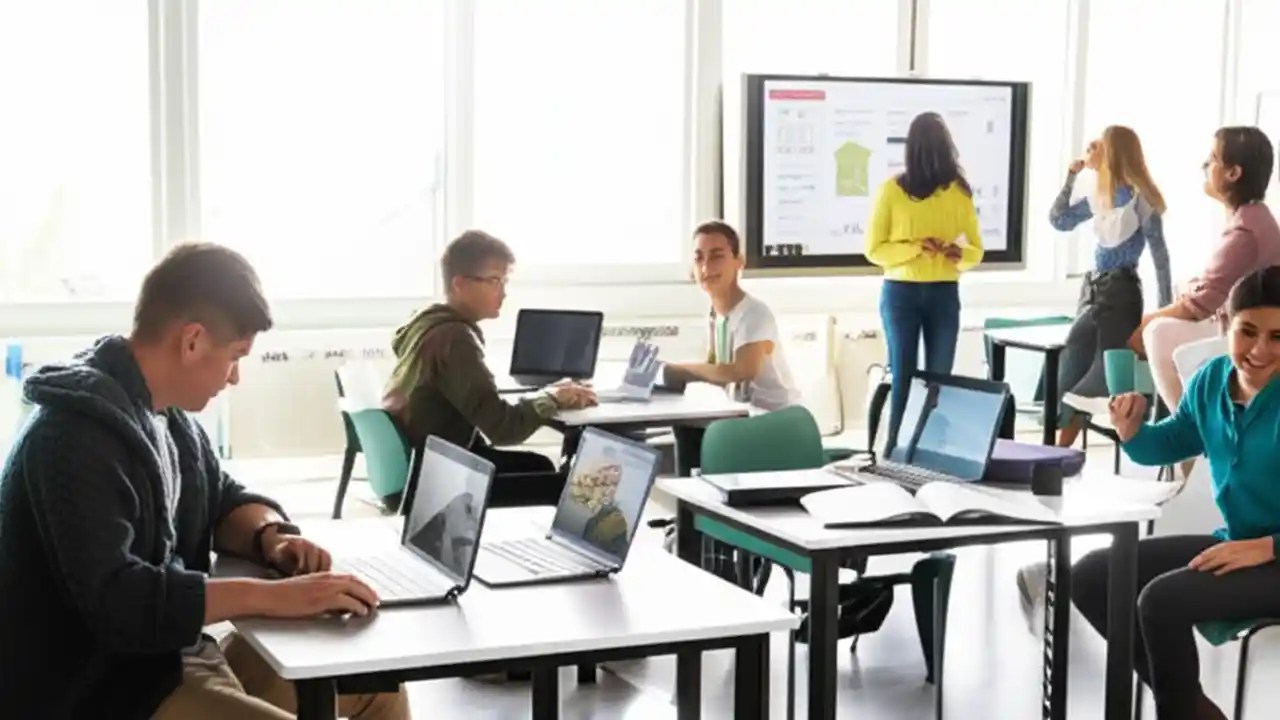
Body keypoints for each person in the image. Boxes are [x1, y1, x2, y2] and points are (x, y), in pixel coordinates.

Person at [0, 243, 407, 719]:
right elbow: (119, 604)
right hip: (97, 691)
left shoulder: (168, 418)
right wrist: (280, 597)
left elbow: (223, 499)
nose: (234, 377)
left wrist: (270, 536)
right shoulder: (72, 436)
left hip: (169, 660)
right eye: (235, 356)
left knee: (380, 688)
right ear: (192, 341)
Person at [1072, 266, 1280, 720]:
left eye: (1278, 337)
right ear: (1226, 322)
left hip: (1273, 553)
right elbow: (1170, 442)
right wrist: (1132, 432)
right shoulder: (1212, 380)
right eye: (1248, 332)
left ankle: (1180, 711)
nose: (1260, 351)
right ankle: (1192, 707)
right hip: (1238, 544)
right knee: (1092, 575)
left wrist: (1269, 547)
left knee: (1162, 601)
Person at [383, 229, 596, 508]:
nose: (504, 292)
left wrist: (546, 396)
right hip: (436, 479)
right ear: (460, 284)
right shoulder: (454, 339)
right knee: (563, 486)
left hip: (421, 464)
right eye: (495, 281)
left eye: (504, 282)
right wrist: (552, 397)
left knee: (539, 465)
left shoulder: (427, 324)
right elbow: (502, 429)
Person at [1133, 126, 1280, 414]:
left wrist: (1137, 325)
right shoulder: (1252, 219)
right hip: (1243, 330)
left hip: (1248, 338)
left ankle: (1188, 433)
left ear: (1233, 173)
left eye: (1212, 158)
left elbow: (1198, 305)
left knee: (1157, 331)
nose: (1205, 165)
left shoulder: (1245, 231)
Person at [1048, 126, 1172, 447]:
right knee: (1070, 366)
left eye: (1100, 147)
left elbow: (1159, 256)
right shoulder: (1100, 194)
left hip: (1121, 291)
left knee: (1104, 375)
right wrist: (1071, 176)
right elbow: (1059, 220)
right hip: (1093, 288)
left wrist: (1164, 311)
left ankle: (1064, 451)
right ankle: (1056, 451)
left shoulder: (1139, 199)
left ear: (1113, 153)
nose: (1093, 152)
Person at [866, 112, 983, 446]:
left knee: (939, 380)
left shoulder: (959, 192)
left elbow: (976, 249)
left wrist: (957, 255)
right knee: (903, 375)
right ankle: (896, 450)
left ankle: (932, 450)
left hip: (943, 293)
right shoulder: (892, 190)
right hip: (900, 294)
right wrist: (916, 248)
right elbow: (875, 250)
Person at [661, 220, 802, 472]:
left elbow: (740, 370)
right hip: (743, 416)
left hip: (775, 423)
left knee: (693, 433)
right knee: (687, 426)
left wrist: (681, 370)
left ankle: (696, 509)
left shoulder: (755, 313)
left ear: (739, 261)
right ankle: (692, 510)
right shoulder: (716, 313)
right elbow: (715, 369)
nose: (706, 267)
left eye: (716, 257)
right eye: (699, 258)